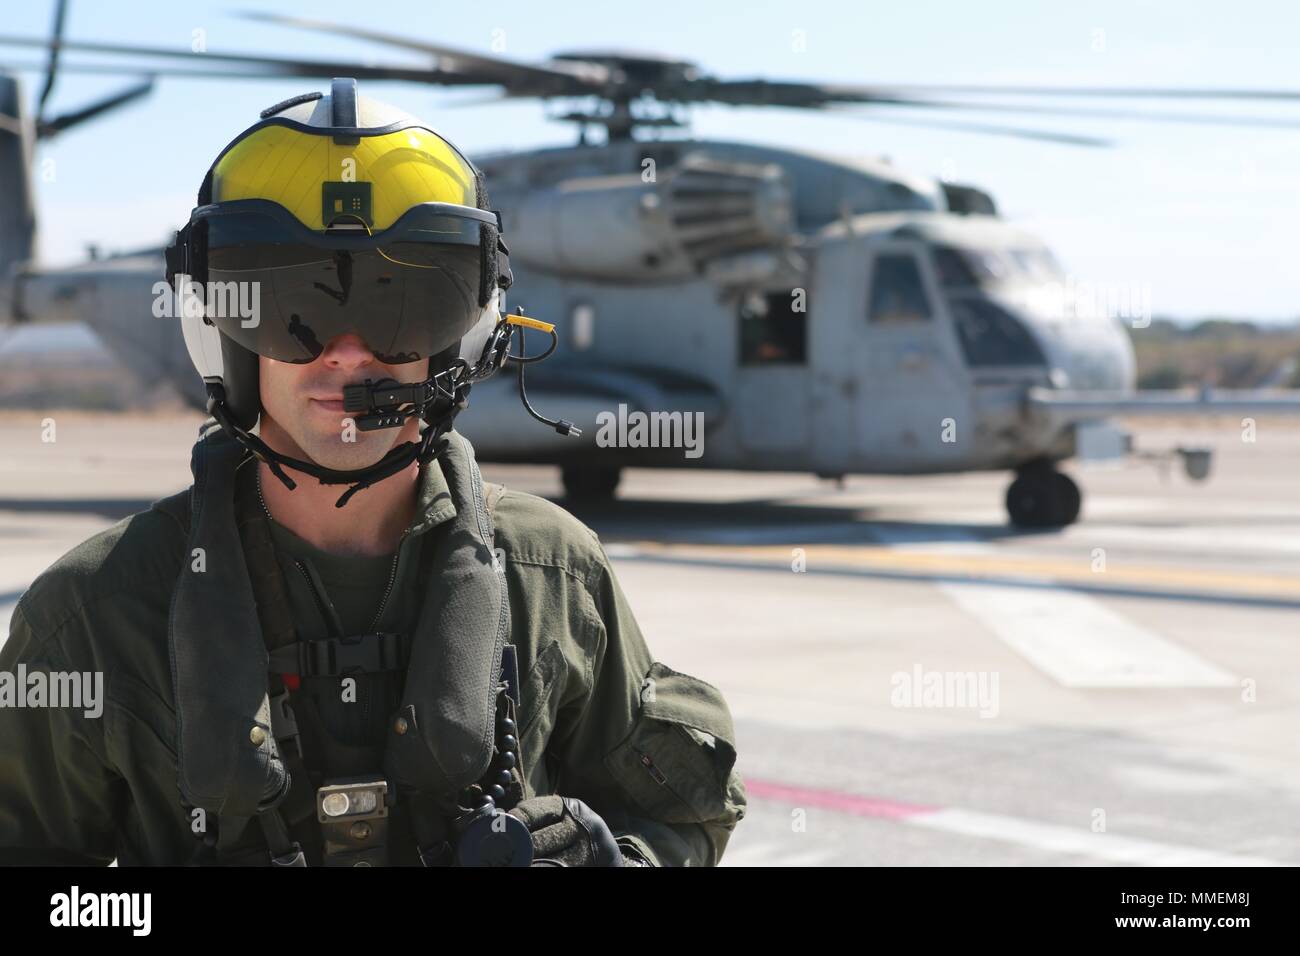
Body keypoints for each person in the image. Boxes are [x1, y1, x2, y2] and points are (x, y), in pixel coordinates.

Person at [0, 79, 746, 867]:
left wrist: (621, 861)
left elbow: (682, 812)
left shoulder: (552, 578)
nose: (348, 354)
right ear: (220, 332)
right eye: (290, 301)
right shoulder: (92, 616)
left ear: (463, 336)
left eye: (401, 301)